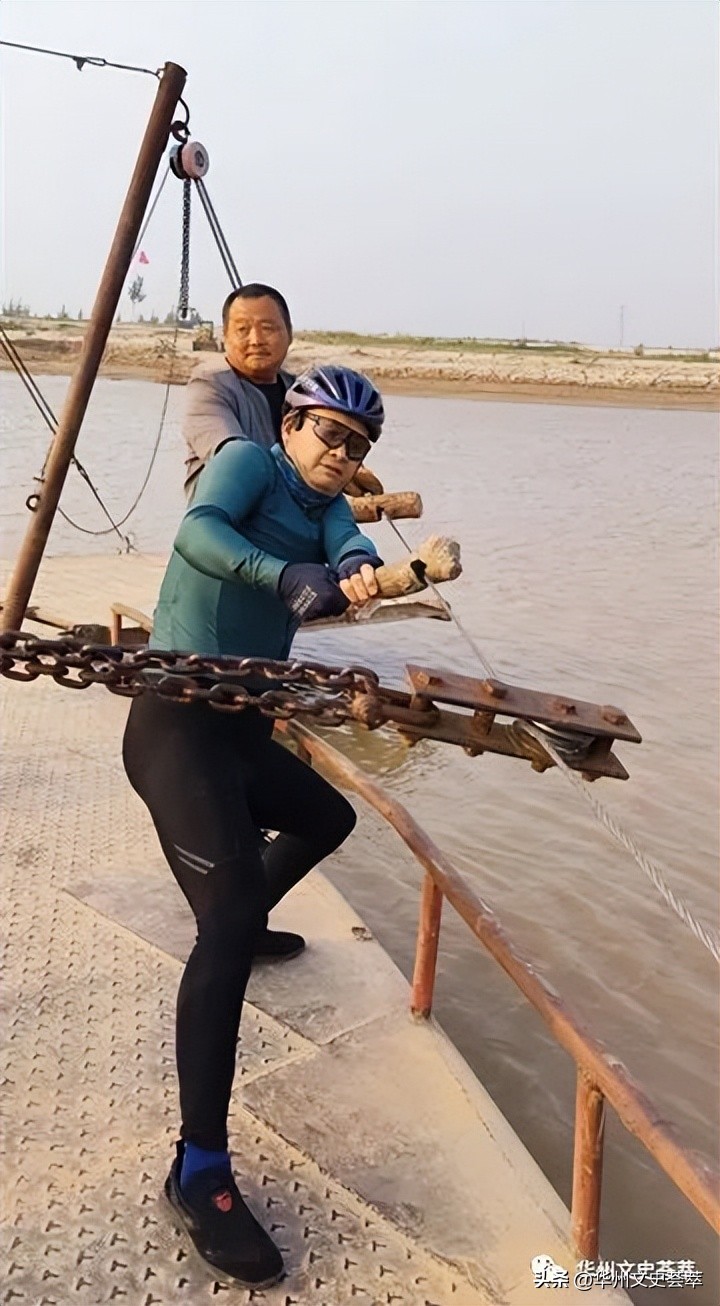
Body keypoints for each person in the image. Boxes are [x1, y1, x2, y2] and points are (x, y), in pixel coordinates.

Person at [122, 365, 385, 1288]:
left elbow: (350, 545)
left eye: (357, 447)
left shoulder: (328, 505)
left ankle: (231, 915)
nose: (338, 454)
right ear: (290, 425)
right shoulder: (245, 463)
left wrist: (357, 575)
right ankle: (200, 1170)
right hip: (175, 724)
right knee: (229, 924)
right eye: (326, 433)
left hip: (242, 730)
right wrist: (284, 577)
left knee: (327, 814)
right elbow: (199, 533)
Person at [183, 283, 294, 500]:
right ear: (225, 337)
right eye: (242, 329)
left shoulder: (301, 391)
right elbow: (235, 462)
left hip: (294, 525)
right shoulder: (209, 387)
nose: (256, 340)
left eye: (268, 328)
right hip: (227, 525)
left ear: (289, 334)